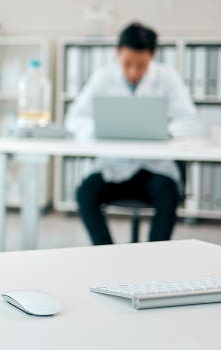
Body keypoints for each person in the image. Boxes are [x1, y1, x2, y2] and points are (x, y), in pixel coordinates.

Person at [65, 22, 200, 245]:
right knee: (86, 193)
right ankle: (107, 255)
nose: (133, 72)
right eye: (127, 64)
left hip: (155, 169)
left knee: (168, 194)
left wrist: (165, 131)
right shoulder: (104, 76)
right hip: (113, 167)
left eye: (141, 65)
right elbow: (74, 117)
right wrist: (98, 129)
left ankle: (153, 262)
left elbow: (190, 120)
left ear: (153, 55)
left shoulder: (168, 78)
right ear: (117, 52)